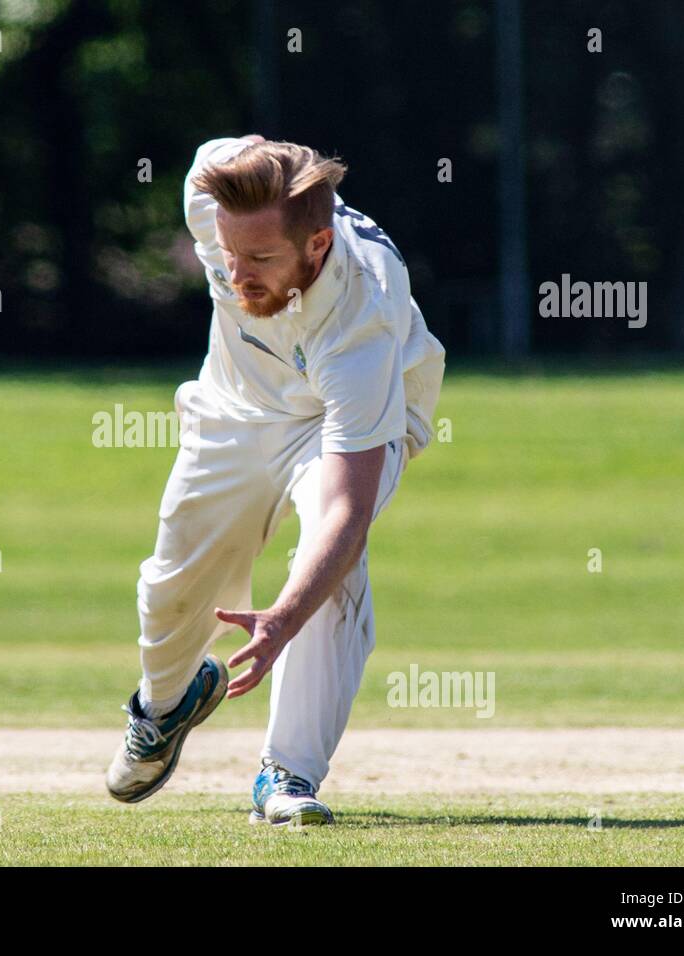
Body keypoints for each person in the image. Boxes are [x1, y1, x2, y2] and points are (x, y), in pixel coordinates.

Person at [106, 135, 446, 825]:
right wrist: (274, 162)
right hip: (235, 407)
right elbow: (222, 157)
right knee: (172, 585)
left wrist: (283, 617)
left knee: (330, 568)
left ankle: (287, 775)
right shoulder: (212, 198)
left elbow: (346, 514)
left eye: (262, 260)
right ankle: (164, 706)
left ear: (317, 247)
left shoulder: (362, 320)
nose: (239, 277)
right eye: (232, 258)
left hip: (343, 418)